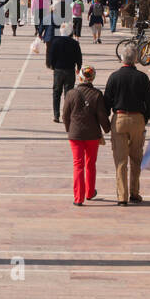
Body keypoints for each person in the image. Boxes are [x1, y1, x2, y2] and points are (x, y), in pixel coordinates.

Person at [103, 45, 150, 205]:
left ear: (122, 59)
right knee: (136, 158)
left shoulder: (114, 77)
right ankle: (135, 193)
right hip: (138, 120)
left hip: (119, 119)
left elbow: (107, 101)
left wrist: (105, 121)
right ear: (135, 59)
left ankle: (122, 196)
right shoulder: (142, 77)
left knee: (120, 161)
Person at [62, 66, 111, 206]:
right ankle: (89, 192)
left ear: (80, 77)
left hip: (75, 135)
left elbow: (65, 114)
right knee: (90, 164)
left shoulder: (71, 93)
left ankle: (78, 198)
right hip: (92, 134)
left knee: (78, 165)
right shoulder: (97, 94)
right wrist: (107, 129)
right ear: (93, 78)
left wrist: (69, 129)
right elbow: (102, 116)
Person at [46, 23, 83, 124]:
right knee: (69, 94)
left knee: (56, 93)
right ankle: (67, 115)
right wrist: (78, 68)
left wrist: (52, 66)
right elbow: (79, 57)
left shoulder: (55, 42)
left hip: (58, 70)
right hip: (70, 70)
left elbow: (51, 56)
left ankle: (56, 115)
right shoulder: (75, 43)